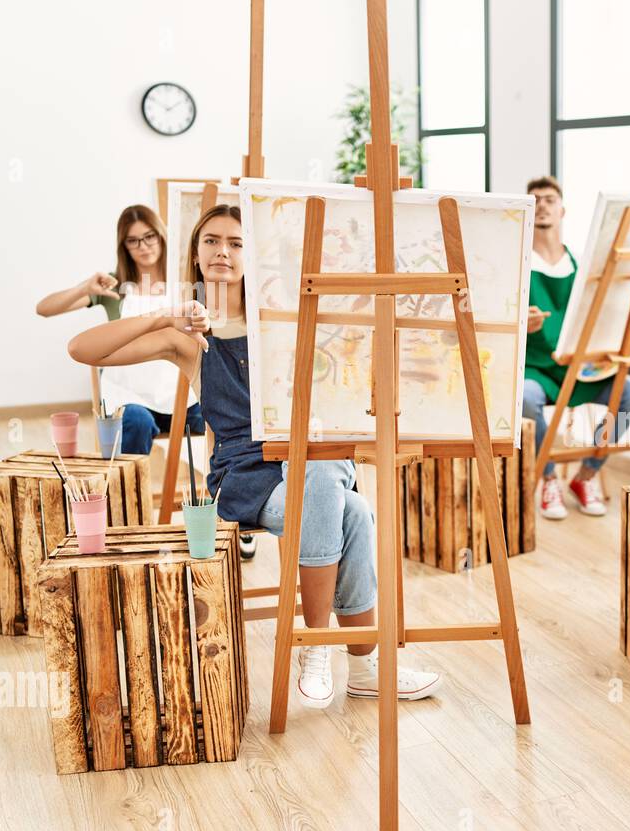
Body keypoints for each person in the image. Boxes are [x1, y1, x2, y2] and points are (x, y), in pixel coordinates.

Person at [67, 204, 442, 708]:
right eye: (212, 241)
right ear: (196, 254)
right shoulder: (187, 337)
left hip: (307, 459)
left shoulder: (284, 321)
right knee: (344, 503)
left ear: (253, 255)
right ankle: (353, 662)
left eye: (237, 243)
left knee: (330, 478)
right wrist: (164, 314)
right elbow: (82, 349)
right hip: (243, 475)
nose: (223, 251)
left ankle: (317, 649)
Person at [38, 204, 257, 560]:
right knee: (136, 423)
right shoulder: (116, 288)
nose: (143, 246)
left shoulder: (187, 289)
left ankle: (236, 513)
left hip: (180, 395)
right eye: (133, 241)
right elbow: (55, 320)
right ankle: (132, 514)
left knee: (226, 419)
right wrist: (157, 317)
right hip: (133, 397)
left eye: (150, 236)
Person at [523, 175, 630, 519]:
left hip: (579, 368)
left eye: (549, 199)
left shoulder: (582, 268)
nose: (542, 205)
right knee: (526, 400)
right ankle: (548, 479)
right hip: (536, 369)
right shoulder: (518, 264)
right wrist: (521, 322)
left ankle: (586, 474)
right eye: (535, 200)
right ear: (527, 212)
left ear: (563, 210)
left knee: (629, 396)